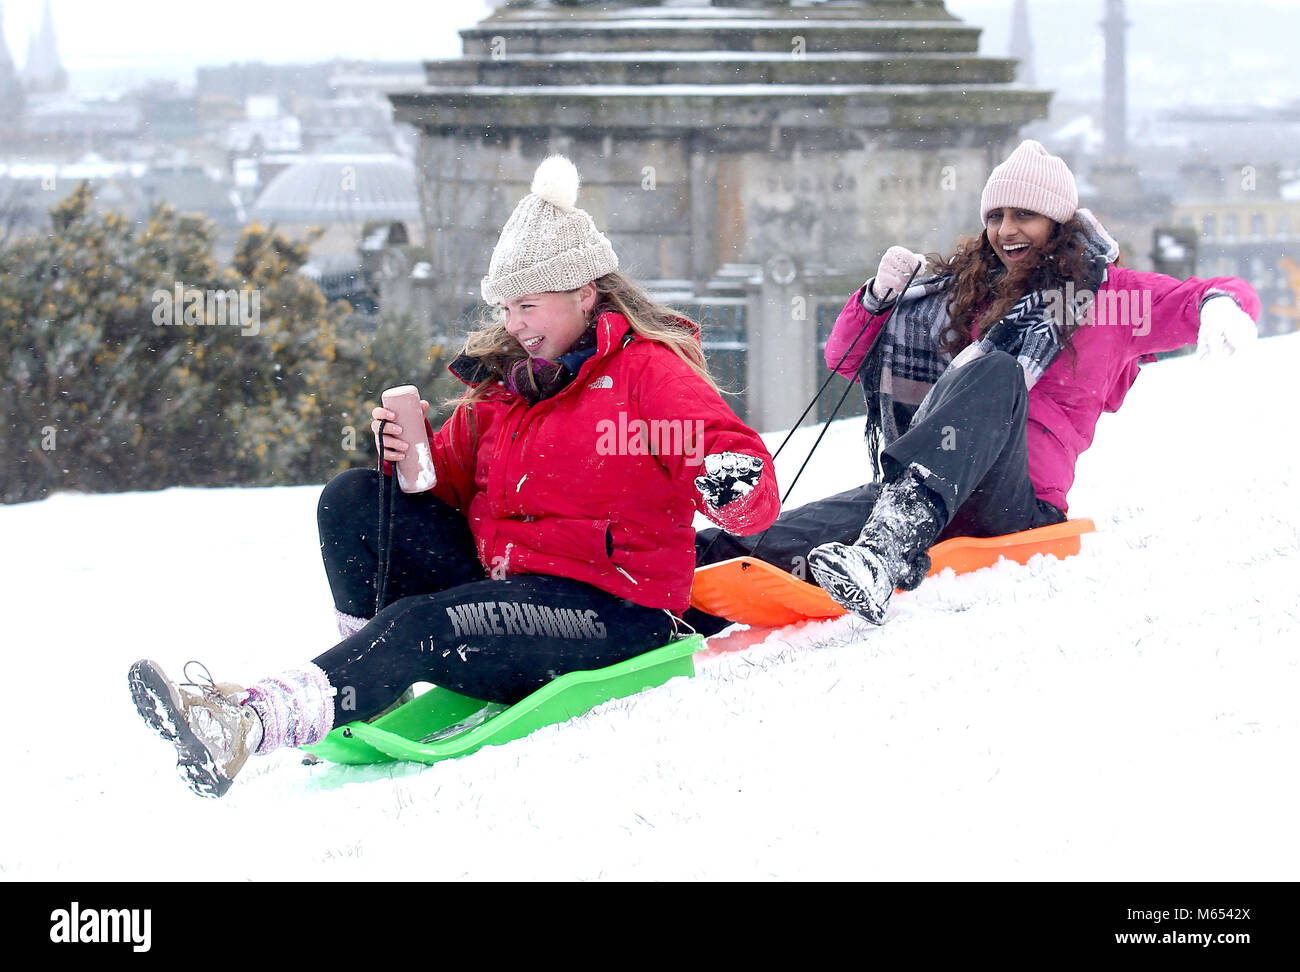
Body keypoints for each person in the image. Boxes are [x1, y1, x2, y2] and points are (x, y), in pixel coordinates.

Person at [129, 156, 781, 797]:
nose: (513, 325)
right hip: (508, 585)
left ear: (585, 293)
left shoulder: (646, 373)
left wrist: (732, 480)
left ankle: (245, 722)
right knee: (351, 500)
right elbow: (439, 490)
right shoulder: (511, 387)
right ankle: (365, 688)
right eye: (505, 307)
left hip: (610, 611)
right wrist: (406, 457)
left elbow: (738, 473)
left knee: (421, 623)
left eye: (527, 305)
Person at [693, 139, 1259, 627]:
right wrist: (877, 300)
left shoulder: (1108, 300)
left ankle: (887, 551)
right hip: (926, 486)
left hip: (1013, 503)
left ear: (1057, 224)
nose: (1006, 230)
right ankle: (655, 607)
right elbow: (845, 359)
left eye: (1025, 216)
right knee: (764, 541)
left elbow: (1199, 296)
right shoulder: (959, 292)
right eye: (996, 216)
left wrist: (1223, 309)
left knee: (992, 369)